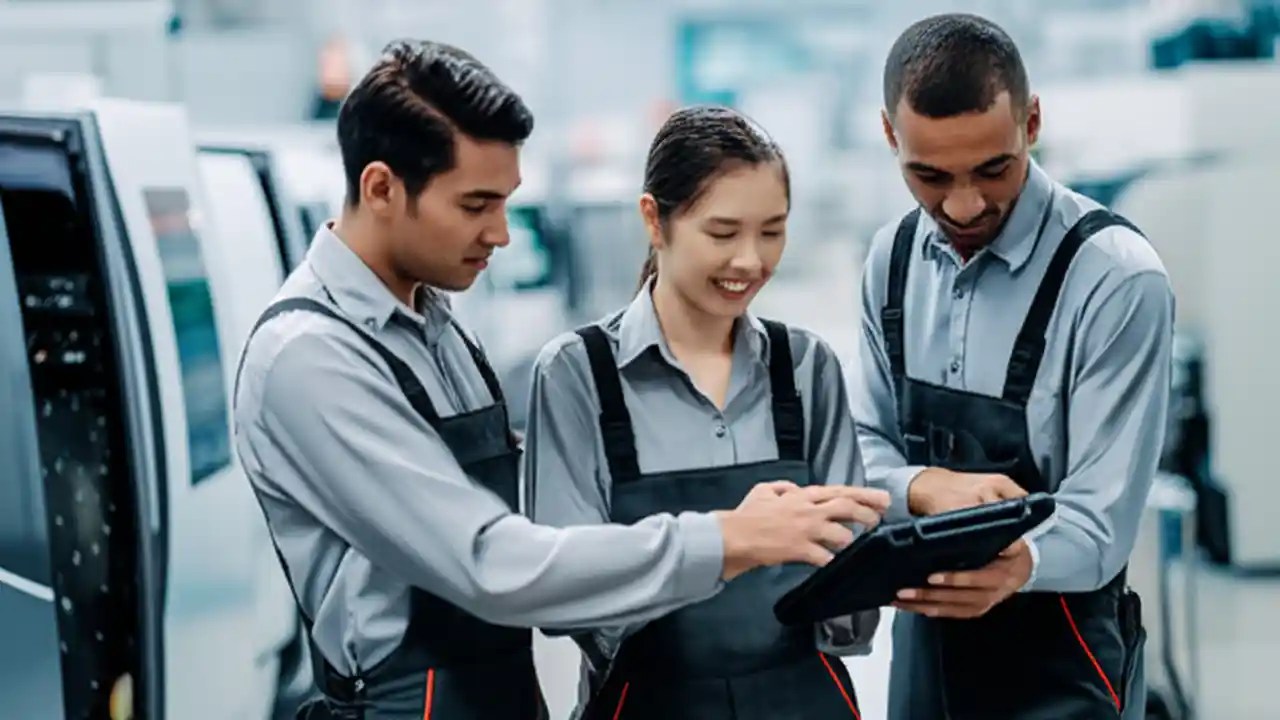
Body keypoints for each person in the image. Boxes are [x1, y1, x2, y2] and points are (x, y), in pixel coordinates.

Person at [232, 41, 879, 720]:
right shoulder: (311, 359)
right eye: (477, 204)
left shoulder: (436, 327)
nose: (503, 233)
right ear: (382, 188)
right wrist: (730, 538)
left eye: (505, 202)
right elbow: (488, 563)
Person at [852, 12, 1175, 720]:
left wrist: (1020, 562)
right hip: (924, 649)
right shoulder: (891, 260)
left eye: (992, 169)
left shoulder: (1115, 280)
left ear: (1031, 121)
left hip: (1062, 658)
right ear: (889, 136)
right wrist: (924, 484)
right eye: (929, 175)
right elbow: (859, 447)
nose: (963, 204)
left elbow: (1100, 519)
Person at [523, 105, 890, 720]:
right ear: (654, 221)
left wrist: (889, 561)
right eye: (723, 234)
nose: (750, 260)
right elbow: (563, 594)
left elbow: (848, 592)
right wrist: (732, 544)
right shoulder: (575, 375)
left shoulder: (806, 368)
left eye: (772, 231)